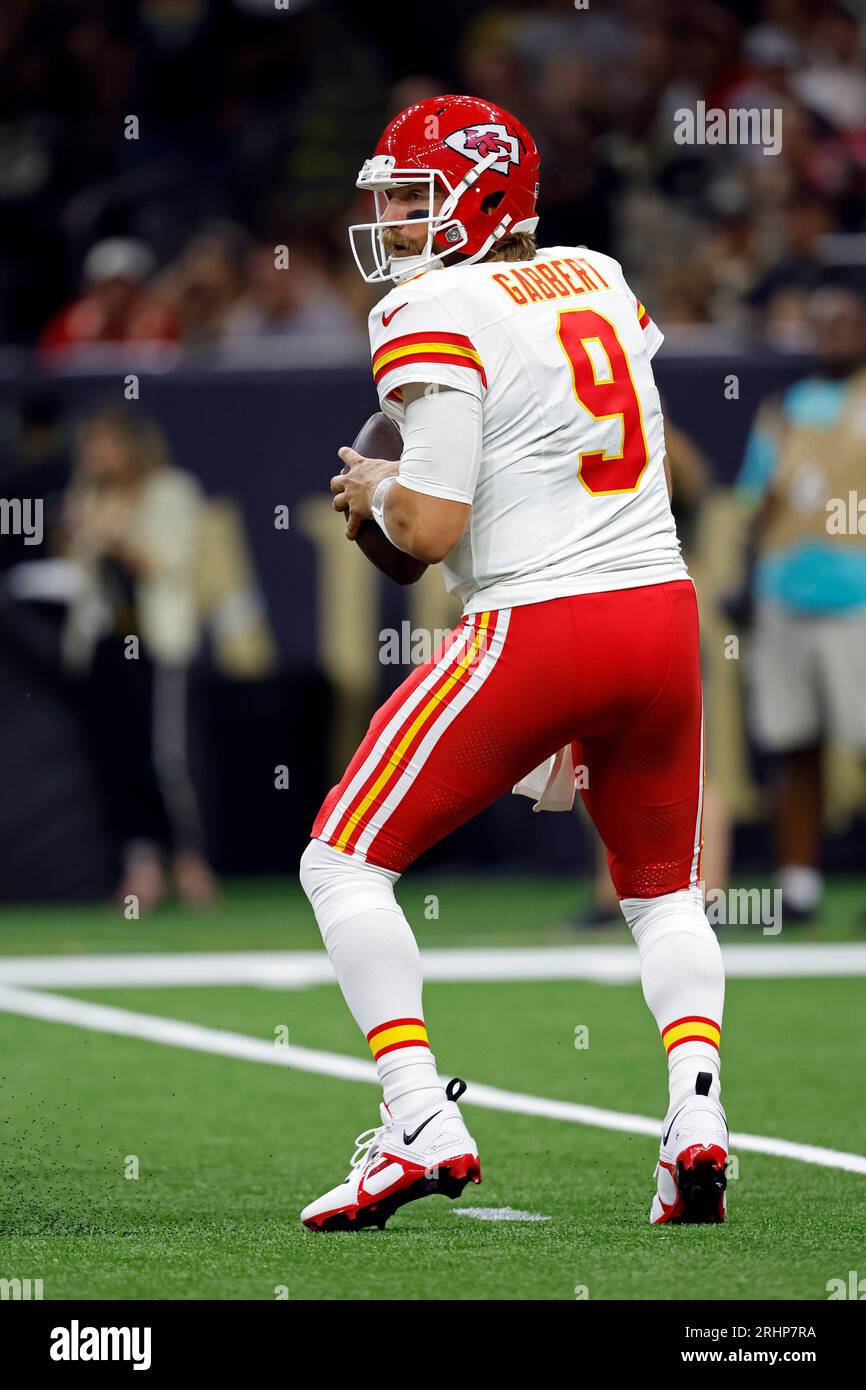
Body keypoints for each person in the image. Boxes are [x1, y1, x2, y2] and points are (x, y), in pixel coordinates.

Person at [299, 94, 727, 1232]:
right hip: (658, 611)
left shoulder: (428, 302)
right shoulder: (594, 273)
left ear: (480, 197)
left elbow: (431, 526)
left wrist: (370, 489)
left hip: (539, 622)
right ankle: (694, 1118)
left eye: (410, 196)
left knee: (341, 863)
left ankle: (417, 1122)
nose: (389, 219)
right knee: (663, 895)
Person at [735, 286, 866, 920]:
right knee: (793, 745)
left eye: (845, 326)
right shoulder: (781, 409)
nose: (833, 338)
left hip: (857, 595)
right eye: (824, 327)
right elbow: (755, 498)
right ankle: (800, 886)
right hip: (785, 592)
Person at [62, 406, 217, 912]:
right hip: (105, 645)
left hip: (156, 643)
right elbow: (79, 573)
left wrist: (120, 537)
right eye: (91, 445)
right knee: (118, 757)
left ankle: (189, 859)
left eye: (106, 444)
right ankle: (142, 863)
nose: (97, 456)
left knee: (166, 755)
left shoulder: (171, 492)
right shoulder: (87, 496)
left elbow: (171, 566)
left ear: (131, 446)